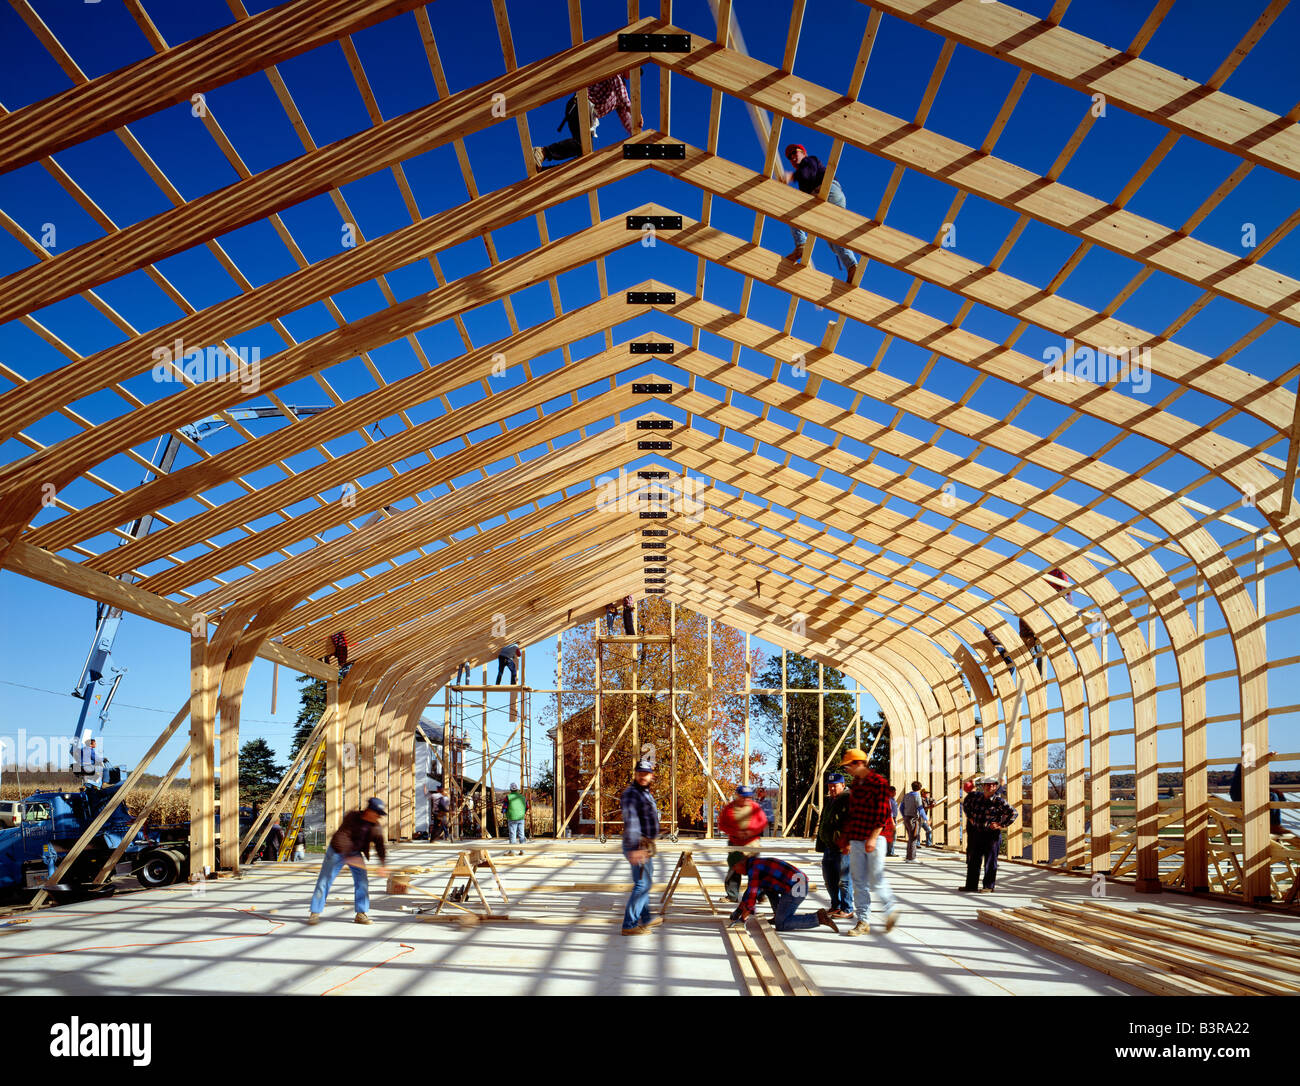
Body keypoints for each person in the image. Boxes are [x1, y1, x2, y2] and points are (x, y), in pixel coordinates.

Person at [838, 748, 901, 936]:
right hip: (857, 838)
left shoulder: (879, 783)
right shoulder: (856, 785)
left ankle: (890, 910)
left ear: (858, 763)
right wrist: (847, 838)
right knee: (858, 882)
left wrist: (873, 837)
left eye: (848, 766)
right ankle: (863, 921)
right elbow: (853, 814)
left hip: (876, 837)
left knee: (875, 877)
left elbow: (883, 812)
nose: (846, 770)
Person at [781, 143, 859, 283]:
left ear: (804, 153)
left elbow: (806, 173)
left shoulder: (809, 160)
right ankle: (852, 266)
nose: (792, 157)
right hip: (829, 195)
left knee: (793, 212)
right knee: (833, 239)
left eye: (795, 153)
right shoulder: (803, 176)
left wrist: (791, 176)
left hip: (826, 191)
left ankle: (801, 245)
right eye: (790, 157)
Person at [308, 797, 388, 925]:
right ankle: (315, 912)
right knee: (325, 880)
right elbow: (341, 838)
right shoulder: (352, 817)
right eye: (377, 813)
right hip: (337, 850)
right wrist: (350, 857)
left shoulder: (375, 827)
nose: (378, 817)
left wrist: (383, 865)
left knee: (362, 882)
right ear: (369, 811)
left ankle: (361, 914)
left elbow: (380, 846)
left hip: (355, 852)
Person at [533, 74, 641, 168]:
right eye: (634, 70)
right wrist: (635, 112)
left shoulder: (620, 91)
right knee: (583, 145)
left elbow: (624, 115)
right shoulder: (616, 73)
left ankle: (548, 171)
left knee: (585, 156)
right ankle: (543, 152)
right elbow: (623, 97)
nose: (632, 74)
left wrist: (634, 128)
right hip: (580, 105)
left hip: (588, 115)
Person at [729, 854, 838, 933]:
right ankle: (778, 915)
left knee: (781, 924)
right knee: (767, 887)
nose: (736, 872)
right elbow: (750, 891)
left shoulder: (754, 869)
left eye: (735, 868)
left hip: (796, 889)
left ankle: (818, 918)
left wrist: (742, 919)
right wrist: (739, 910)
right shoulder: (755, 864)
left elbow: (752, 897)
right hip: (795, 884)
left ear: (741, 863)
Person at [619, 759, 662, 936]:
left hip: (645, 844)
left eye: (646, 774)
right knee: (642, 884)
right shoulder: (632, 794)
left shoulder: (645, 793)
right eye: (640, 773)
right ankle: (629, 925)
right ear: (635, 774)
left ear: (651, 775)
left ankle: (646, 918)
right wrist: (636, 847)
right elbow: (632, 821)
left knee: (645, 882)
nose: (643, 776)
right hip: (638, 844)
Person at [959, 776, 1018, 893]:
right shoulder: (976, 797)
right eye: (988, 784)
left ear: (996, 787)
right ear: (983, 786)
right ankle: (971, 886)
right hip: (977, 833)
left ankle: (988, 886)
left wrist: (1001, 825)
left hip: (992, 836)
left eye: (993, 785)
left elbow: (1014, 813)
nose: (991, 787)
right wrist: (970, 817)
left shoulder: (999, 801)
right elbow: (965, 804)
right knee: (973, 861)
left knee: (990, 861)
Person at [814, 773, 854, 918]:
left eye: (834, 786)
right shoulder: (830, 800)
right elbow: (824, 821)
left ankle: (847, 908)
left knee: (843, 880)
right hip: (829, 846)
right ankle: (836, 905)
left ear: (843, 785)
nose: (831, 789)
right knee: (829, 878)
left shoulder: (848, 799)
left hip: (843, 847)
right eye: (829, 786)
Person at [719, 785, 768, 901]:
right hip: (735, 843)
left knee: (755, 869)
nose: (746, 800)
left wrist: (751, 831)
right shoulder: (729, 808)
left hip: (752, 843)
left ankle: (759, 895)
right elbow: (721, 825)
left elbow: (763, 822)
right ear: (737, 796)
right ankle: (732, 895)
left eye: (749, 797)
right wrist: (735, 832)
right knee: (734, 869)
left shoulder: (755, 807)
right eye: (743, 797)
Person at [901, 781, 928, 862]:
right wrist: (926, 819)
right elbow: (920, 809)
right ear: (920, 788)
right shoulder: (917, 797)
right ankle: (912, 857)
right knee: (914, 838)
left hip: (906, 818)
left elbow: (901, 808)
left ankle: (908, 857)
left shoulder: (906, 796)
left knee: (910, 838)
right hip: (913, 819)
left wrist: (904, 815)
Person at [503, 783, 527, 855]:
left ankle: (512, 851)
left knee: (513, 834)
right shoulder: (523, 797)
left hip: (512, 817)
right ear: (517, 789)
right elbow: (527, 806)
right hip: (521, 818)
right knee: (521, 834)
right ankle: (523, 851)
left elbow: (504, 808)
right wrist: (522, 813)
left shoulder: (508, 797)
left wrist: (503, 813)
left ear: (510, 789)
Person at [884, 786, 900, 857]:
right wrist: (892, 822)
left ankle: (889, 851)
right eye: (894, 792)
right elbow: (889, 812)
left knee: (891, 836)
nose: (895, 793)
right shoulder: (889, 800)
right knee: (893, 836)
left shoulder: (892, 799)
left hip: (893, 818)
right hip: (890, 819)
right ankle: (890, 852)